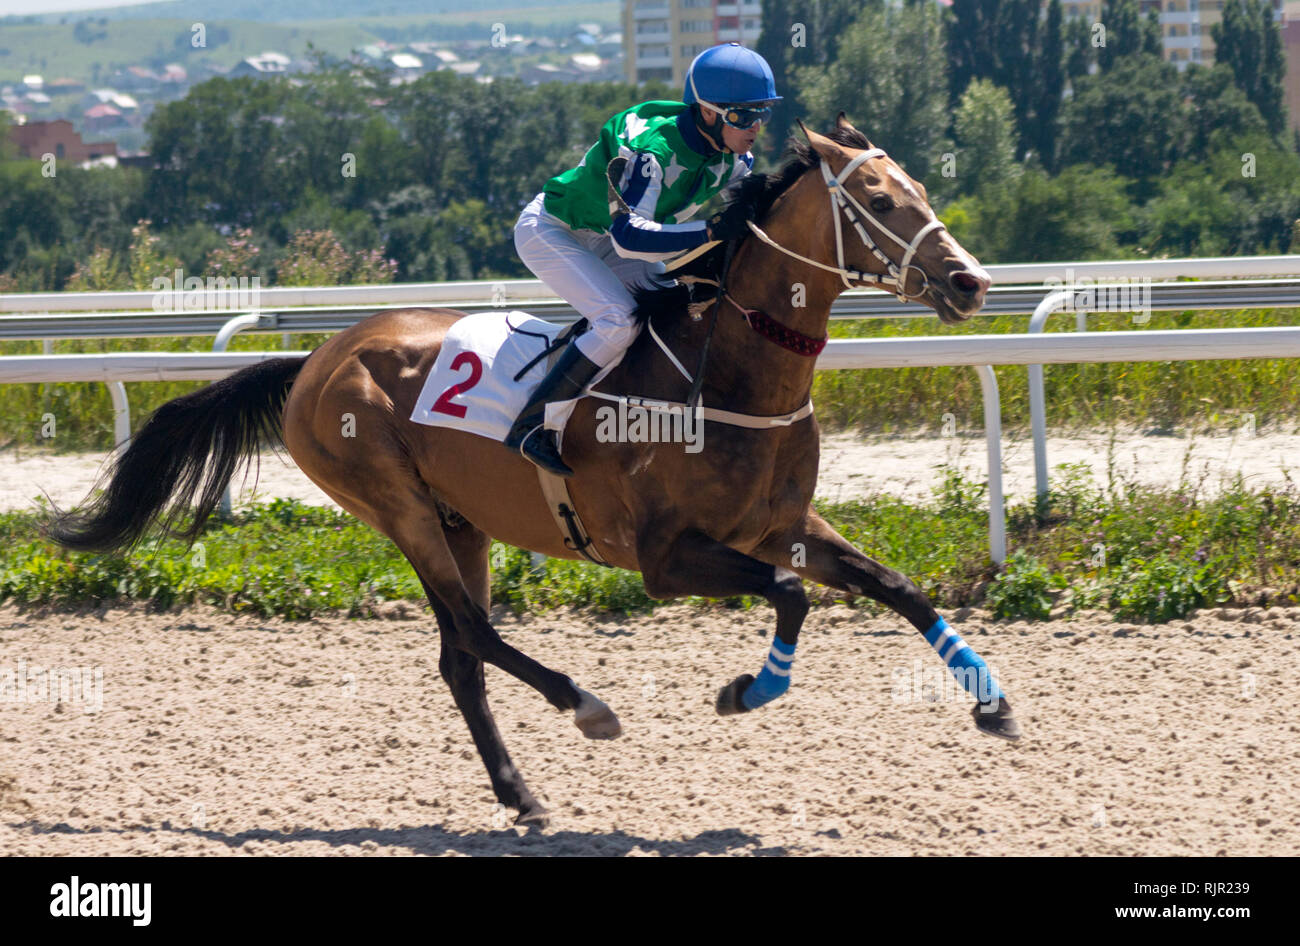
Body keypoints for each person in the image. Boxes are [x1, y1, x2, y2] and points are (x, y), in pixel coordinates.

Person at [505, 42, 781, 476]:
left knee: (676, 314)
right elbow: (630, 237)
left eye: (762, 114)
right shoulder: (656, 153)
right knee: (618, 319)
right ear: (708, 113)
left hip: (609, 240)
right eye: (743, 116)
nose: (755, 128)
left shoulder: (734, 159)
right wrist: (709, 231)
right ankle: (532, 421)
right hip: (555, 230)